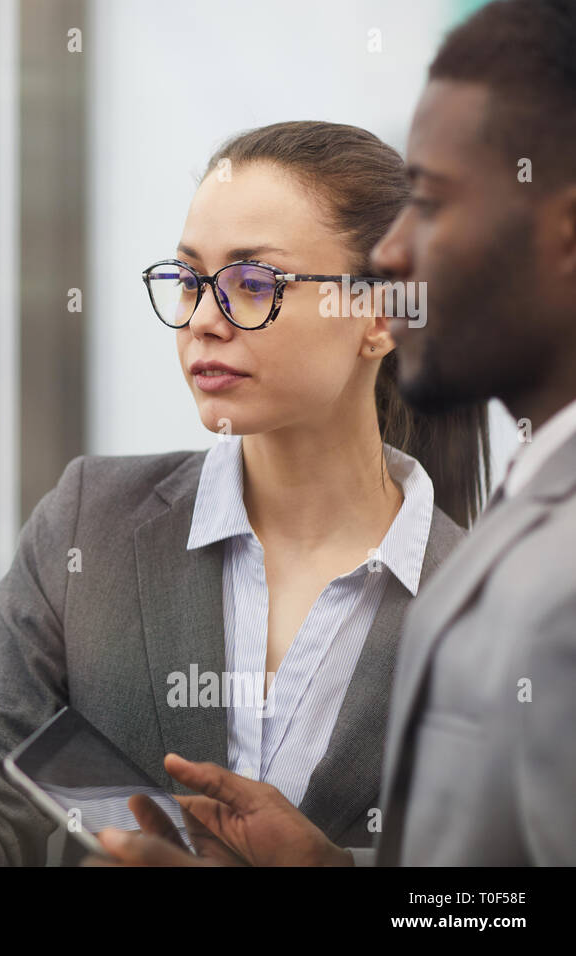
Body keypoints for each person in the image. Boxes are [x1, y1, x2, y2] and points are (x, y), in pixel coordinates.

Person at [0, 120, 490, 865]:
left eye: (254, 285)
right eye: (189, 281)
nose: (205, 322)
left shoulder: (482, 606)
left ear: (378, 316)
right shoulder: (90, 527)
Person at [102, 0, 576, 868]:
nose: (400, 257)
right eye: (188, 278)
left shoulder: (508, 559)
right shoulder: (527, 518)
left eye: (253, 281)